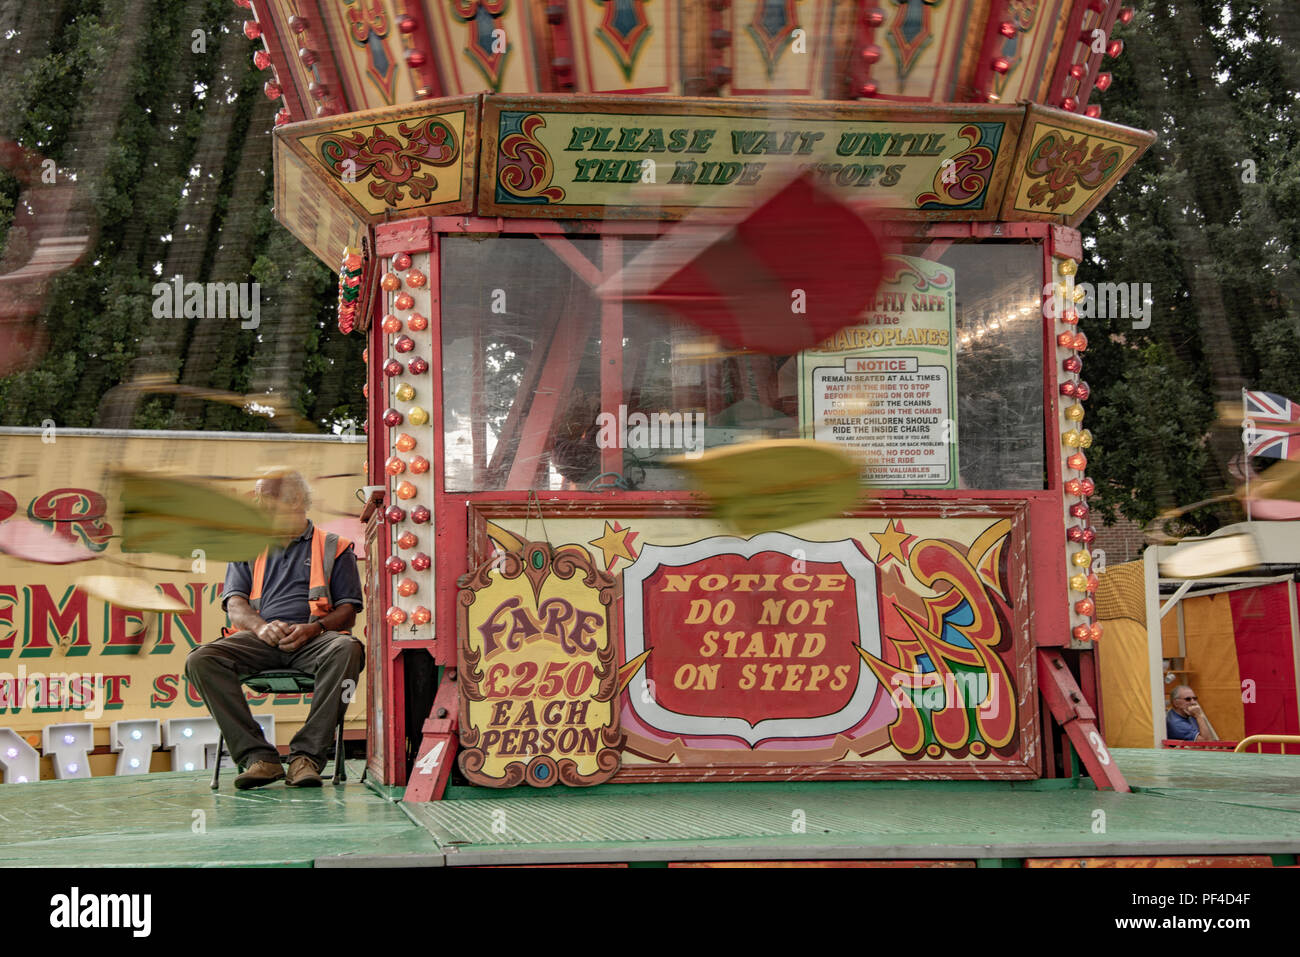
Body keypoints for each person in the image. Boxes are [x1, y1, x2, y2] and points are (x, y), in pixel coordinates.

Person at [185, 469, 364, 789]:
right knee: (202, 659)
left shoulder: (336, 547)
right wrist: (261, 627)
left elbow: (348, 612)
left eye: (264, 496)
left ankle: (306, 758)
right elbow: (235, 606)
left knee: (347, 648)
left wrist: (312, 630)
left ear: (294, 500)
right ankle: (258, 758)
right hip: (258, 640)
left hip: (315, 640)